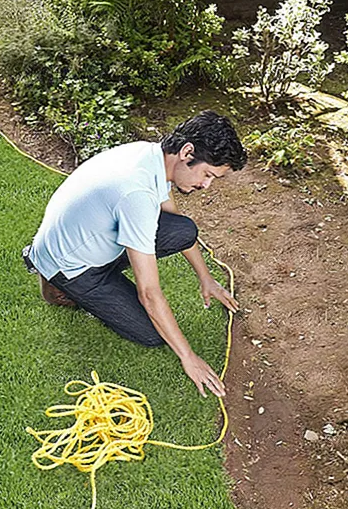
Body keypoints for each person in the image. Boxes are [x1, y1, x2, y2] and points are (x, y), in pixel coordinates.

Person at [23, 110, 247, 398]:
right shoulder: (136, 193)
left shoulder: (151, 156)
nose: (206, 185)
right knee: (152, 334)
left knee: (184, 231)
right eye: (207, 175)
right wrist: (188, 357)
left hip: (93, 239)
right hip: (72, 267)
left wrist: (206, 278)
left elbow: (173, 220)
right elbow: (150, 293)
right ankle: (52, 281)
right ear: (187, 152)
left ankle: (63, 264)